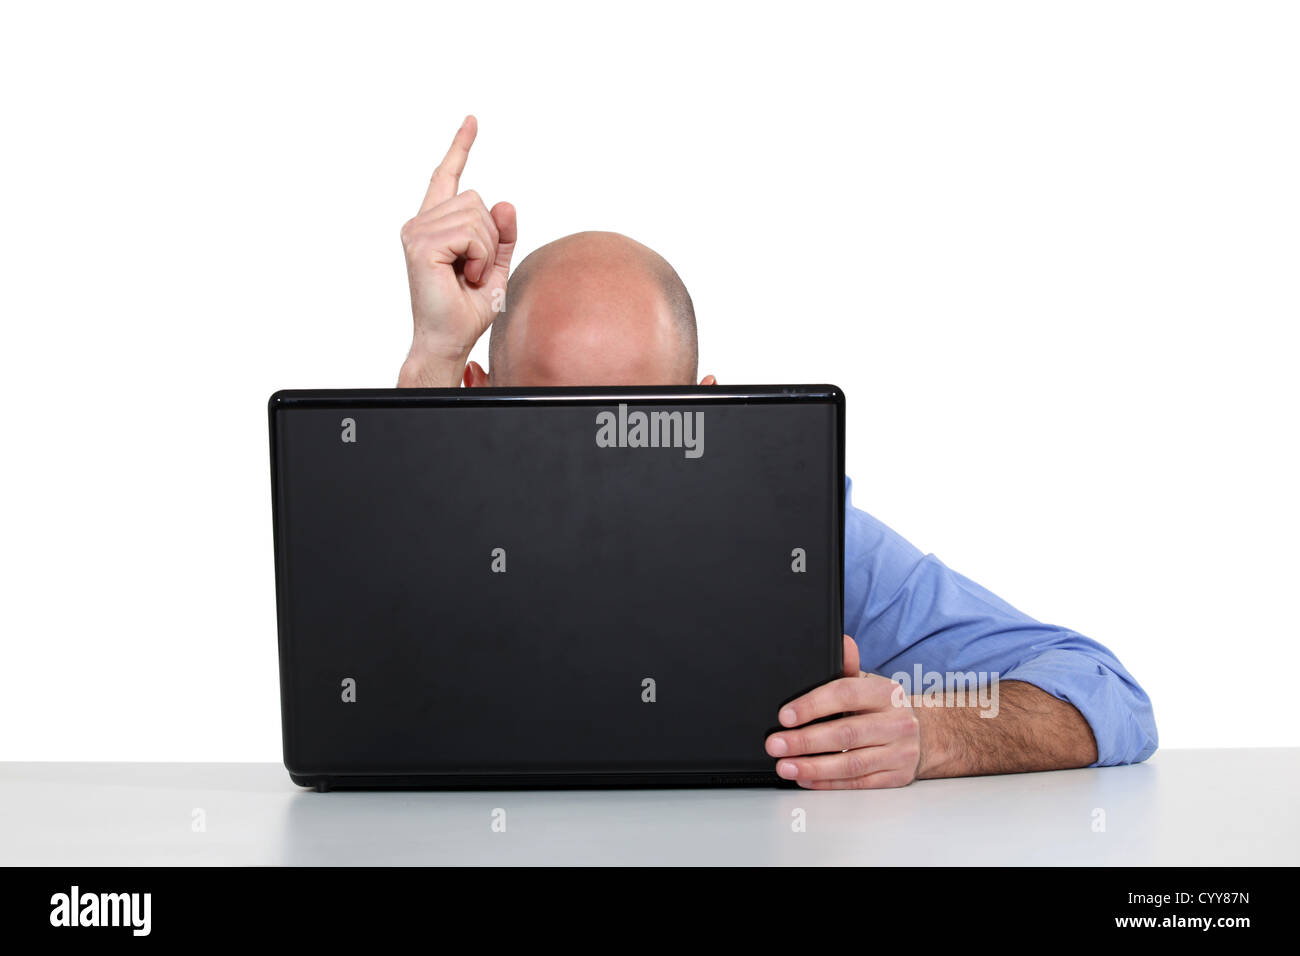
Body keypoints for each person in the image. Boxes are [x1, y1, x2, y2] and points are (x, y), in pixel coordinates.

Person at [396, 116, 1158, 789]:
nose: (603, 461)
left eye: (641, 420)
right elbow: (390, 641)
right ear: (476, 398)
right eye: (556, 419)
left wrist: (932, 734)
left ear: (709, 412)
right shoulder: (443, 523)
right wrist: (430, 359)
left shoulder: (800, 540)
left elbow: (1104, 692)